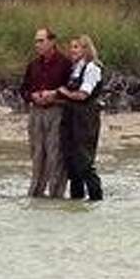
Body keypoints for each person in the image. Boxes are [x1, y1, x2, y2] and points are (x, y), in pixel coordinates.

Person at [19, 27, 72, 198]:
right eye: (36, 41)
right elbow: (23, 90)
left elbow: (72, 88)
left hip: (57, 112)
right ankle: (36, 193)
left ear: (52, 42)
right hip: (36, 113)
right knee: (37, 154)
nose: (37, 45)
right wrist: (32, 97)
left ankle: (56, 195)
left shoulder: (65, 64)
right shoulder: (33, 65)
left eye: (41, 41)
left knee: (55, 155)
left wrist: (54, 94)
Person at [57, 34, 104, 201]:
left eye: (76, 47)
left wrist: (64, 92)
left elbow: (83, 95)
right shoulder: (74, 69)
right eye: (71, 47)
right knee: (71, 163)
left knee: (84, 162)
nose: (72, 50)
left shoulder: (92, 68)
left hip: (86, 119)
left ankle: (96, 200)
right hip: (70, 118)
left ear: (86, 49)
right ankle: (76, 202)